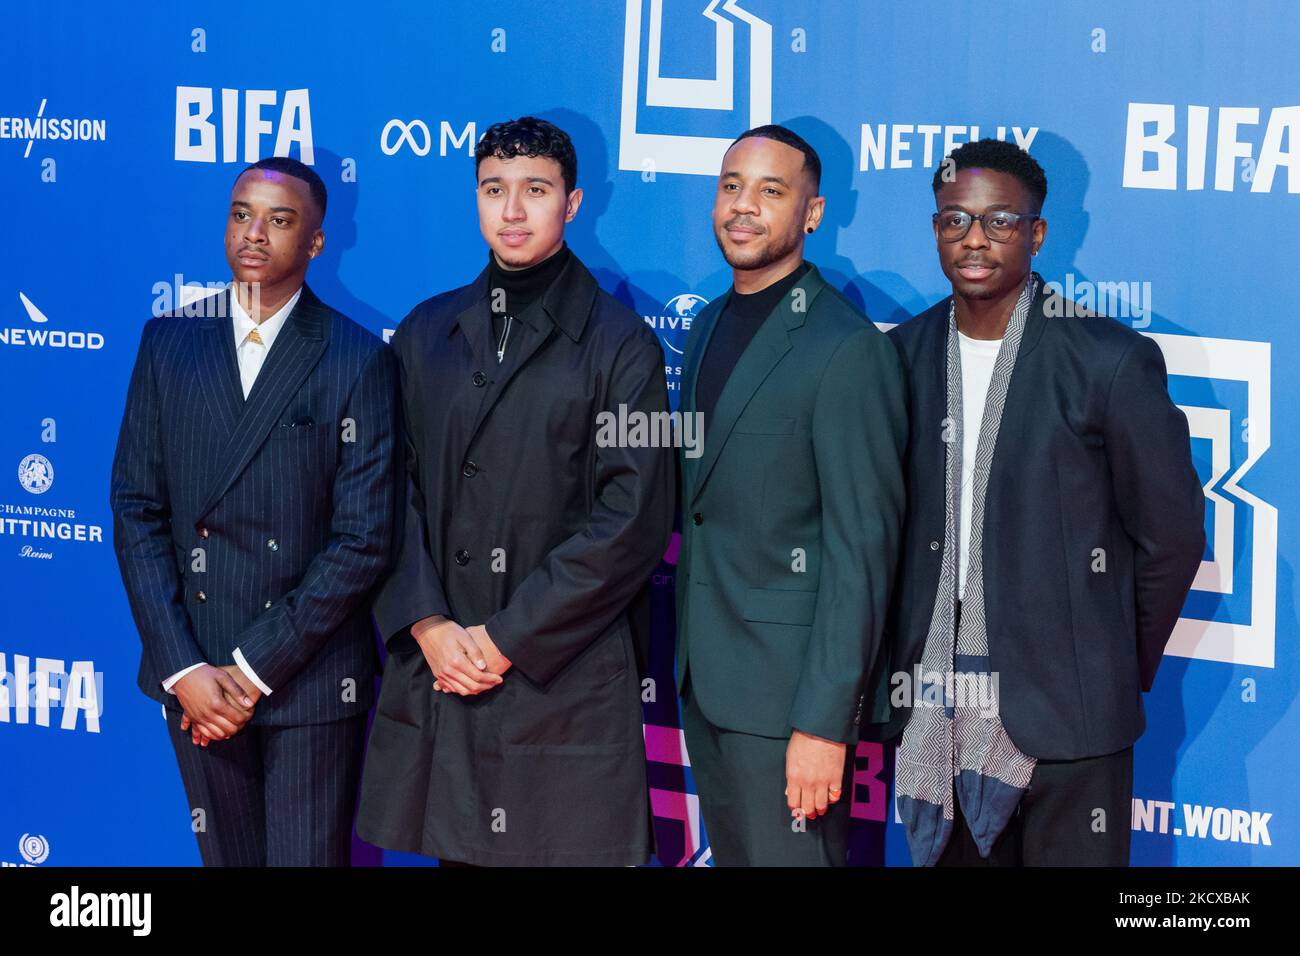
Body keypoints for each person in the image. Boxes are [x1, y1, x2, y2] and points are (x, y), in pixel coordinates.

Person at [355, 116, 673, 866]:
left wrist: (505, 638)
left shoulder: (624, 341)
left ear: (572, 203)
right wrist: (426, 621)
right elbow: (380, 491)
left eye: (535, 190)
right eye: (494, 189)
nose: (512, 210)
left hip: (559, 675)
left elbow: (632, 519)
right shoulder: (425, 331)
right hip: (441, 668)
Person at [878, 138, 1205, 866]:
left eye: (1000, 222)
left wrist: (1103, 659)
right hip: (939, 714)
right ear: (935, 228)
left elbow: (1172, 540)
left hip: (1072, 726)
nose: (974, 239)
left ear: (1037, 233)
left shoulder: (1105, 358)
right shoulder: (898, 357)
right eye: (955, 219)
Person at [110, 156, 397, 866]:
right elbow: (136, 509)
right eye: (242, 214)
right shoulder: (169, 341)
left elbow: (362, 539)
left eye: (279, 219)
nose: (254, 234)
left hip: (306, 680)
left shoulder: (356, 358)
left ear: (317, 242)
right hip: (195, 675)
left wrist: (248, 672)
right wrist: (186, 669)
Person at [674, 125, 907, 866]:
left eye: (771, 191)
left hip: (787, 709)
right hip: (705, 683)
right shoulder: (708, 323)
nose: (744, 206)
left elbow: (860, 553)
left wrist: (822, 725)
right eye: (731, 186)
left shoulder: (846, 348)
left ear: (812, 214)